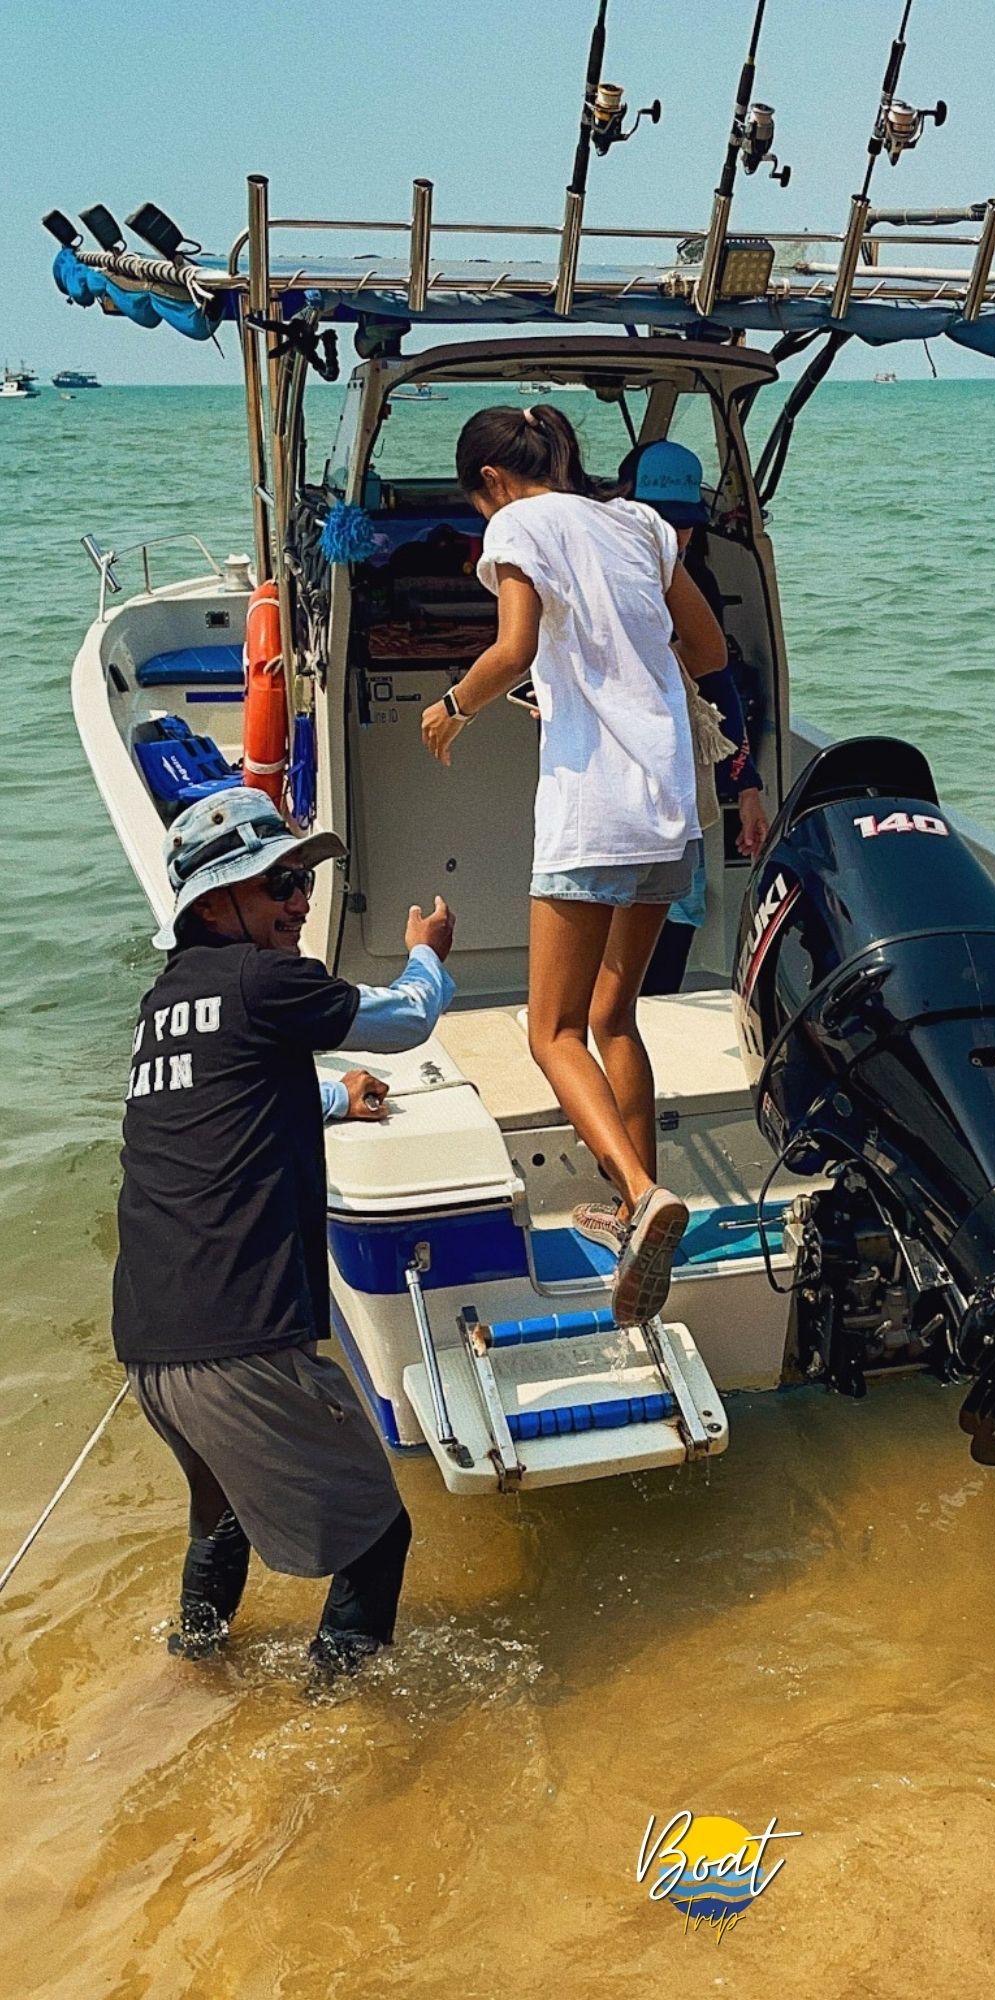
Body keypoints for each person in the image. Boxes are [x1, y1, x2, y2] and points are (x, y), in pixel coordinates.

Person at [114, 787, 457, 1674]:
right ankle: (338, 1733)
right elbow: (408, 1020)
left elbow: (229, 1106)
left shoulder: (163, 1009)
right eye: (279, 883)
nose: (302, 898)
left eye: (303, 879)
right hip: (245, 1341)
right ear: (215, 901)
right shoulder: (267, 980)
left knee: (221, 1512)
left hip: (153, 1348)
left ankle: (190, 1666)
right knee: (378, 1539)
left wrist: (337, 1098)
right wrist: (428, 957)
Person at [419, 404, 726, 1323]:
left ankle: (641, 1193)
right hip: (670, 814)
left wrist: (454, 708)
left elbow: (511, 647)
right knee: (614, 1016)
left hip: (591, 817)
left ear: (492, 484)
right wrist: (601, 676)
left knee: (550, 1031)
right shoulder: (640, 521)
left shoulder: (517, 523)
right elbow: (706, 651)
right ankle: (640, 1211)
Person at [614, 440, 771, 996]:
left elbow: (718, 686)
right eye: (660, 521)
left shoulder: (693, 583)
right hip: (610, 802)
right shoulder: (598, 578)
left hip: (679, 793)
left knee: (671, 932)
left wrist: (747, 789)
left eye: (685, 524)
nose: (674, 536)